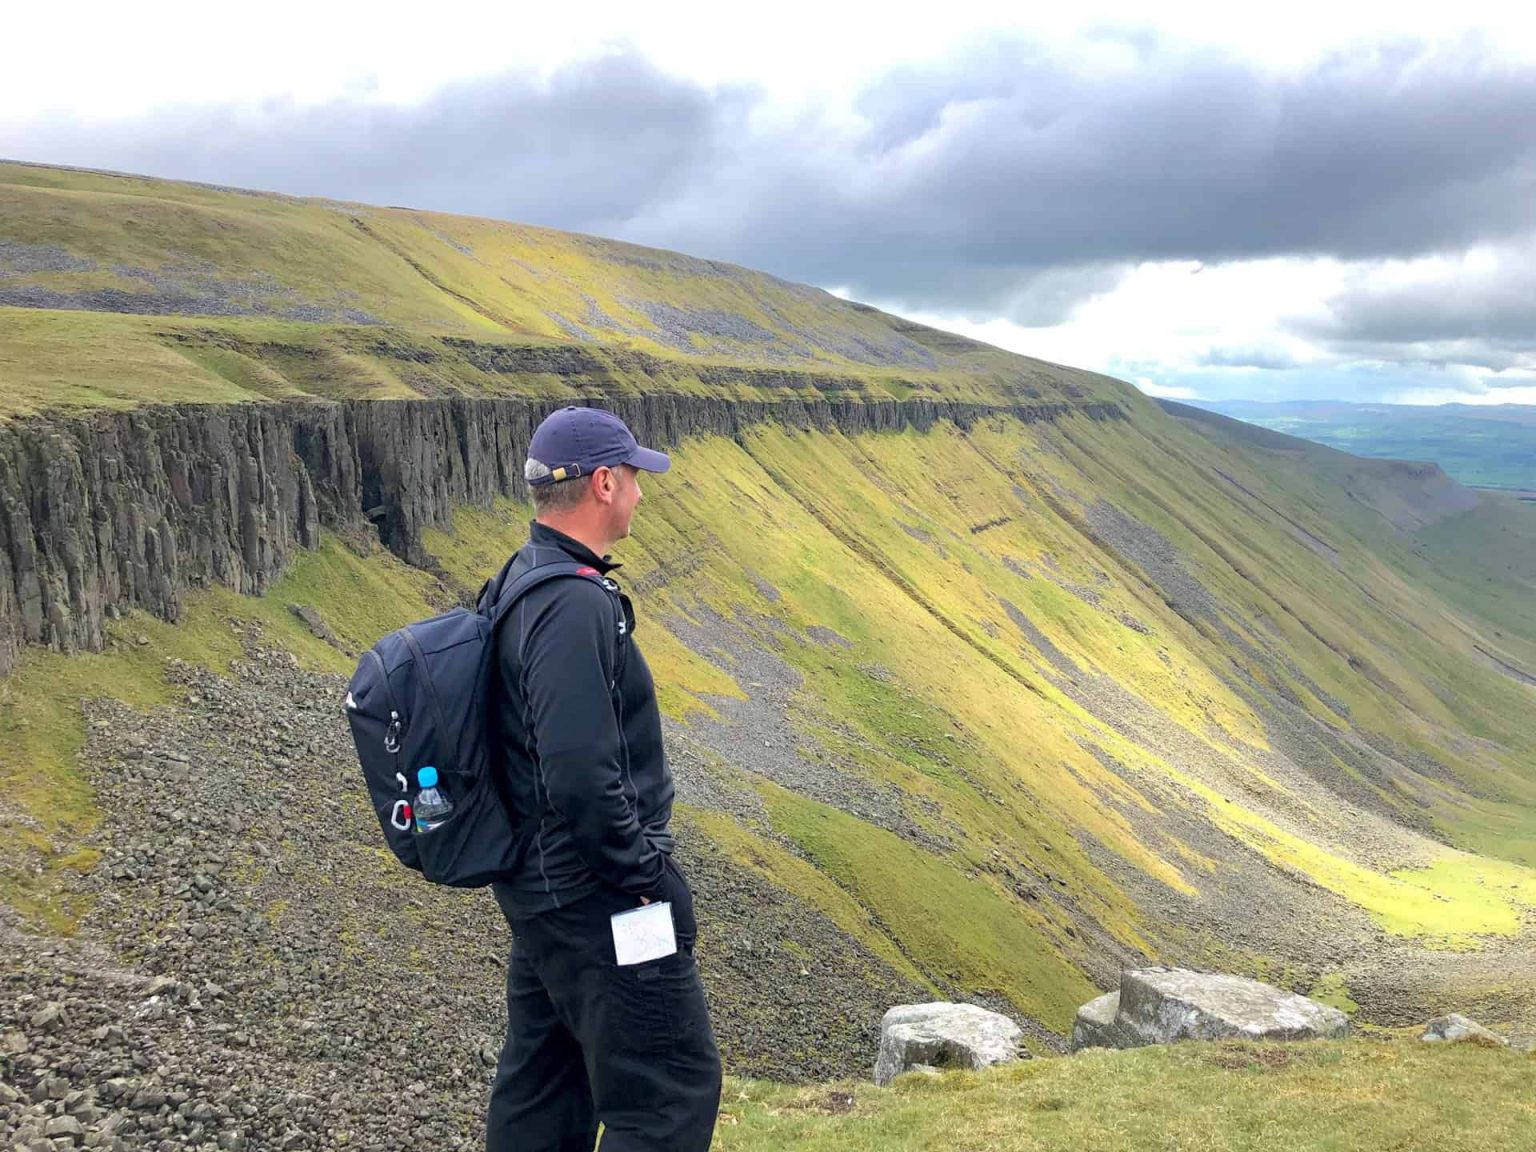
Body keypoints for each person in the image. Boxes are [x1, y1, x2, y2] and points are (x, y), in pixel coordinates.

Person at [481, 406, 722, 1152]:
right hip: (598, 899)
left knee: (546, 1091)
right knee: (669, 1095)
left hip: (545, 893)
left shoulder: (521, 579)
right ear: (605, 483)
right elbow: (581, 774)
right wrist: (645, 877)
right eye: (635, 478)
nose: (643, 493)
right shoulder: (572, 604)